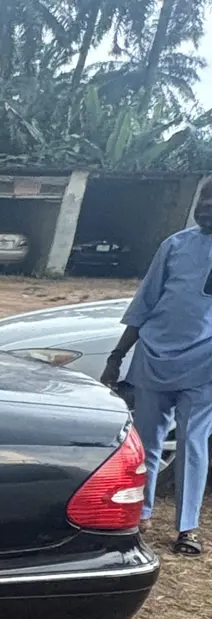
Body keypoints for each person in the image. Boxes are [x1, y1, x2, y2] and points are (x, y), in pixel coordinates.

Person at [100, 187, 212, 556]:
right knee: (146, 441)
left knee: (191, 442)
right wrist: (117, 355)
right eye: (202, 205)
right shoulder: (176, 245)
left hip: (204, 364)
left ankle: (187, 528)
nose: (205, 212)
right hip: (154, 355)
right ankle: (140, 514)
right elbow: (145, 301)